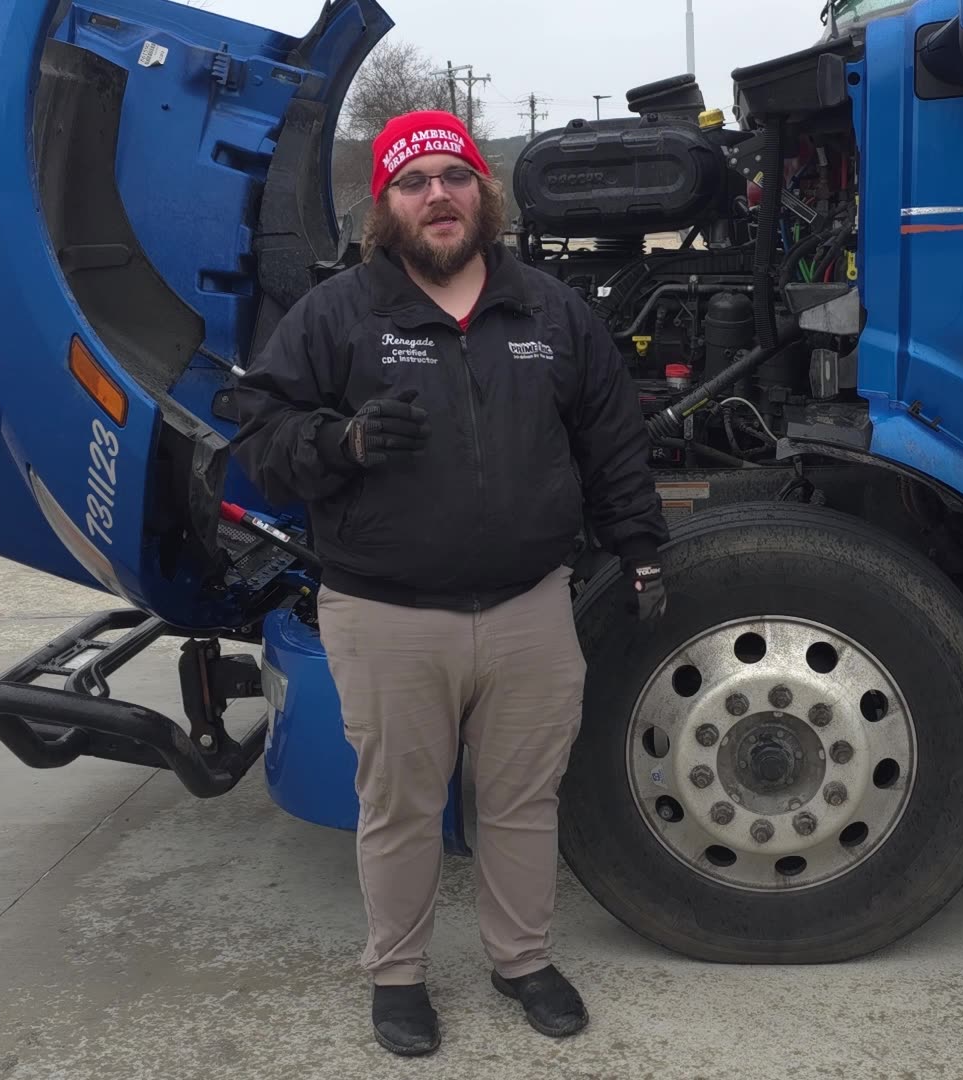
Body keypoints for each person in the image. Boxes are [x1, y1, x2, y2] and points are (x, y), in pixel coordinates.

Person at [229, 110, 669, 1057]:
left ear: (485, 193)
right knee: (399, 807)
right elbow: (258, 439)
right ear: (386, 206)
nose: (438, 194)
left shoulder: (551, 313)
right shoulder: (337, 314)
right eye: (413, 180)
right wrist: (336, 442)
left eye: (455, 176)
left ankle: (522, 961)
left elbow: (612, 444)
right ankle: (398, 976)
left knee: (522, 800)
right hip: (387, 616)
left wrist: (638, 545)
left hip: (527, 609)